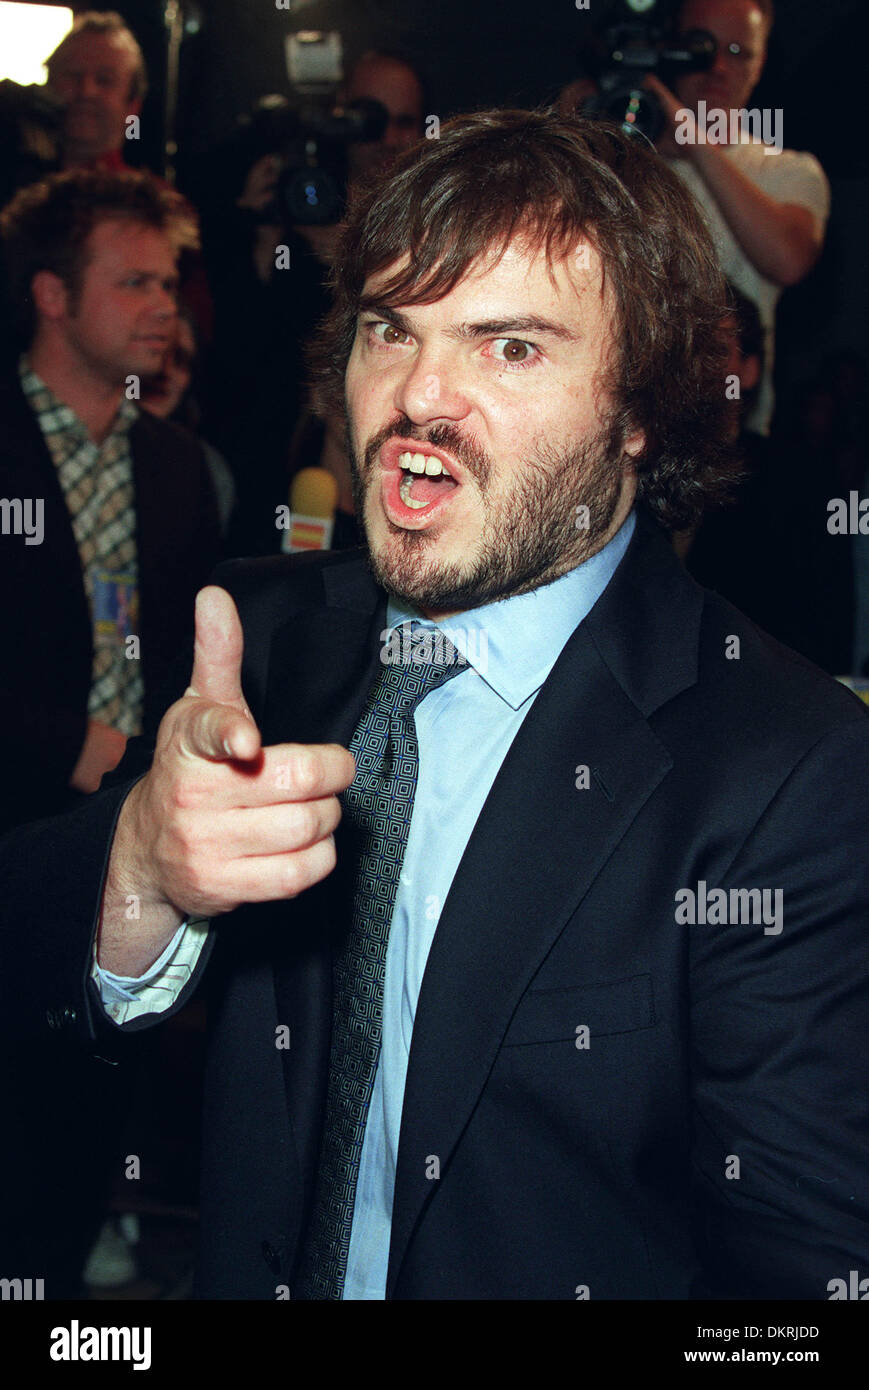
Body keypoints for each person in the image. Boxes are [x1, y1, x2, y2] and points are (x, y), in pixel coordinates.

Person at [2, 110, 868, 1301]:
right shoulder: (258, 642)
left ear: (637, 411)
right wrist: (141, 867)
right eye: (387, 332)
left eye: (507, 347)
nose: (417, 400)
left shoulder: (788, 769)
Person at [0, 167, 219, 1295]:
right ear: (49, 295)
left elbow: (193, 661)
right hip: (16, 819)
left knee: (83, 1107)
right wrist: (68, 745)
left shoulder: (178, 468)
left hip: (127, 838)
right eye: (133, 280)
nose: (162, 305)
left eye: (170, 281)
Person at [648, 0, 830, 435]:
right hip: (633, 424)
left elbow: (788, 259)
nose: (717, 68)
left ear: (760, 63)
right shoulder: (633, 160)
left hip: (731, 431)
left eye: (737, 52)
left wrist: (693, 142)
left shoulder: (788, 170)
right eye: (701, 46)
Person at [44, 10, 146, 172]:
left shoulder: (150, 197)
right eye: (73, 75)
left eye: (104, 79)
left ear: (133, 106)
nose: (86, 91)